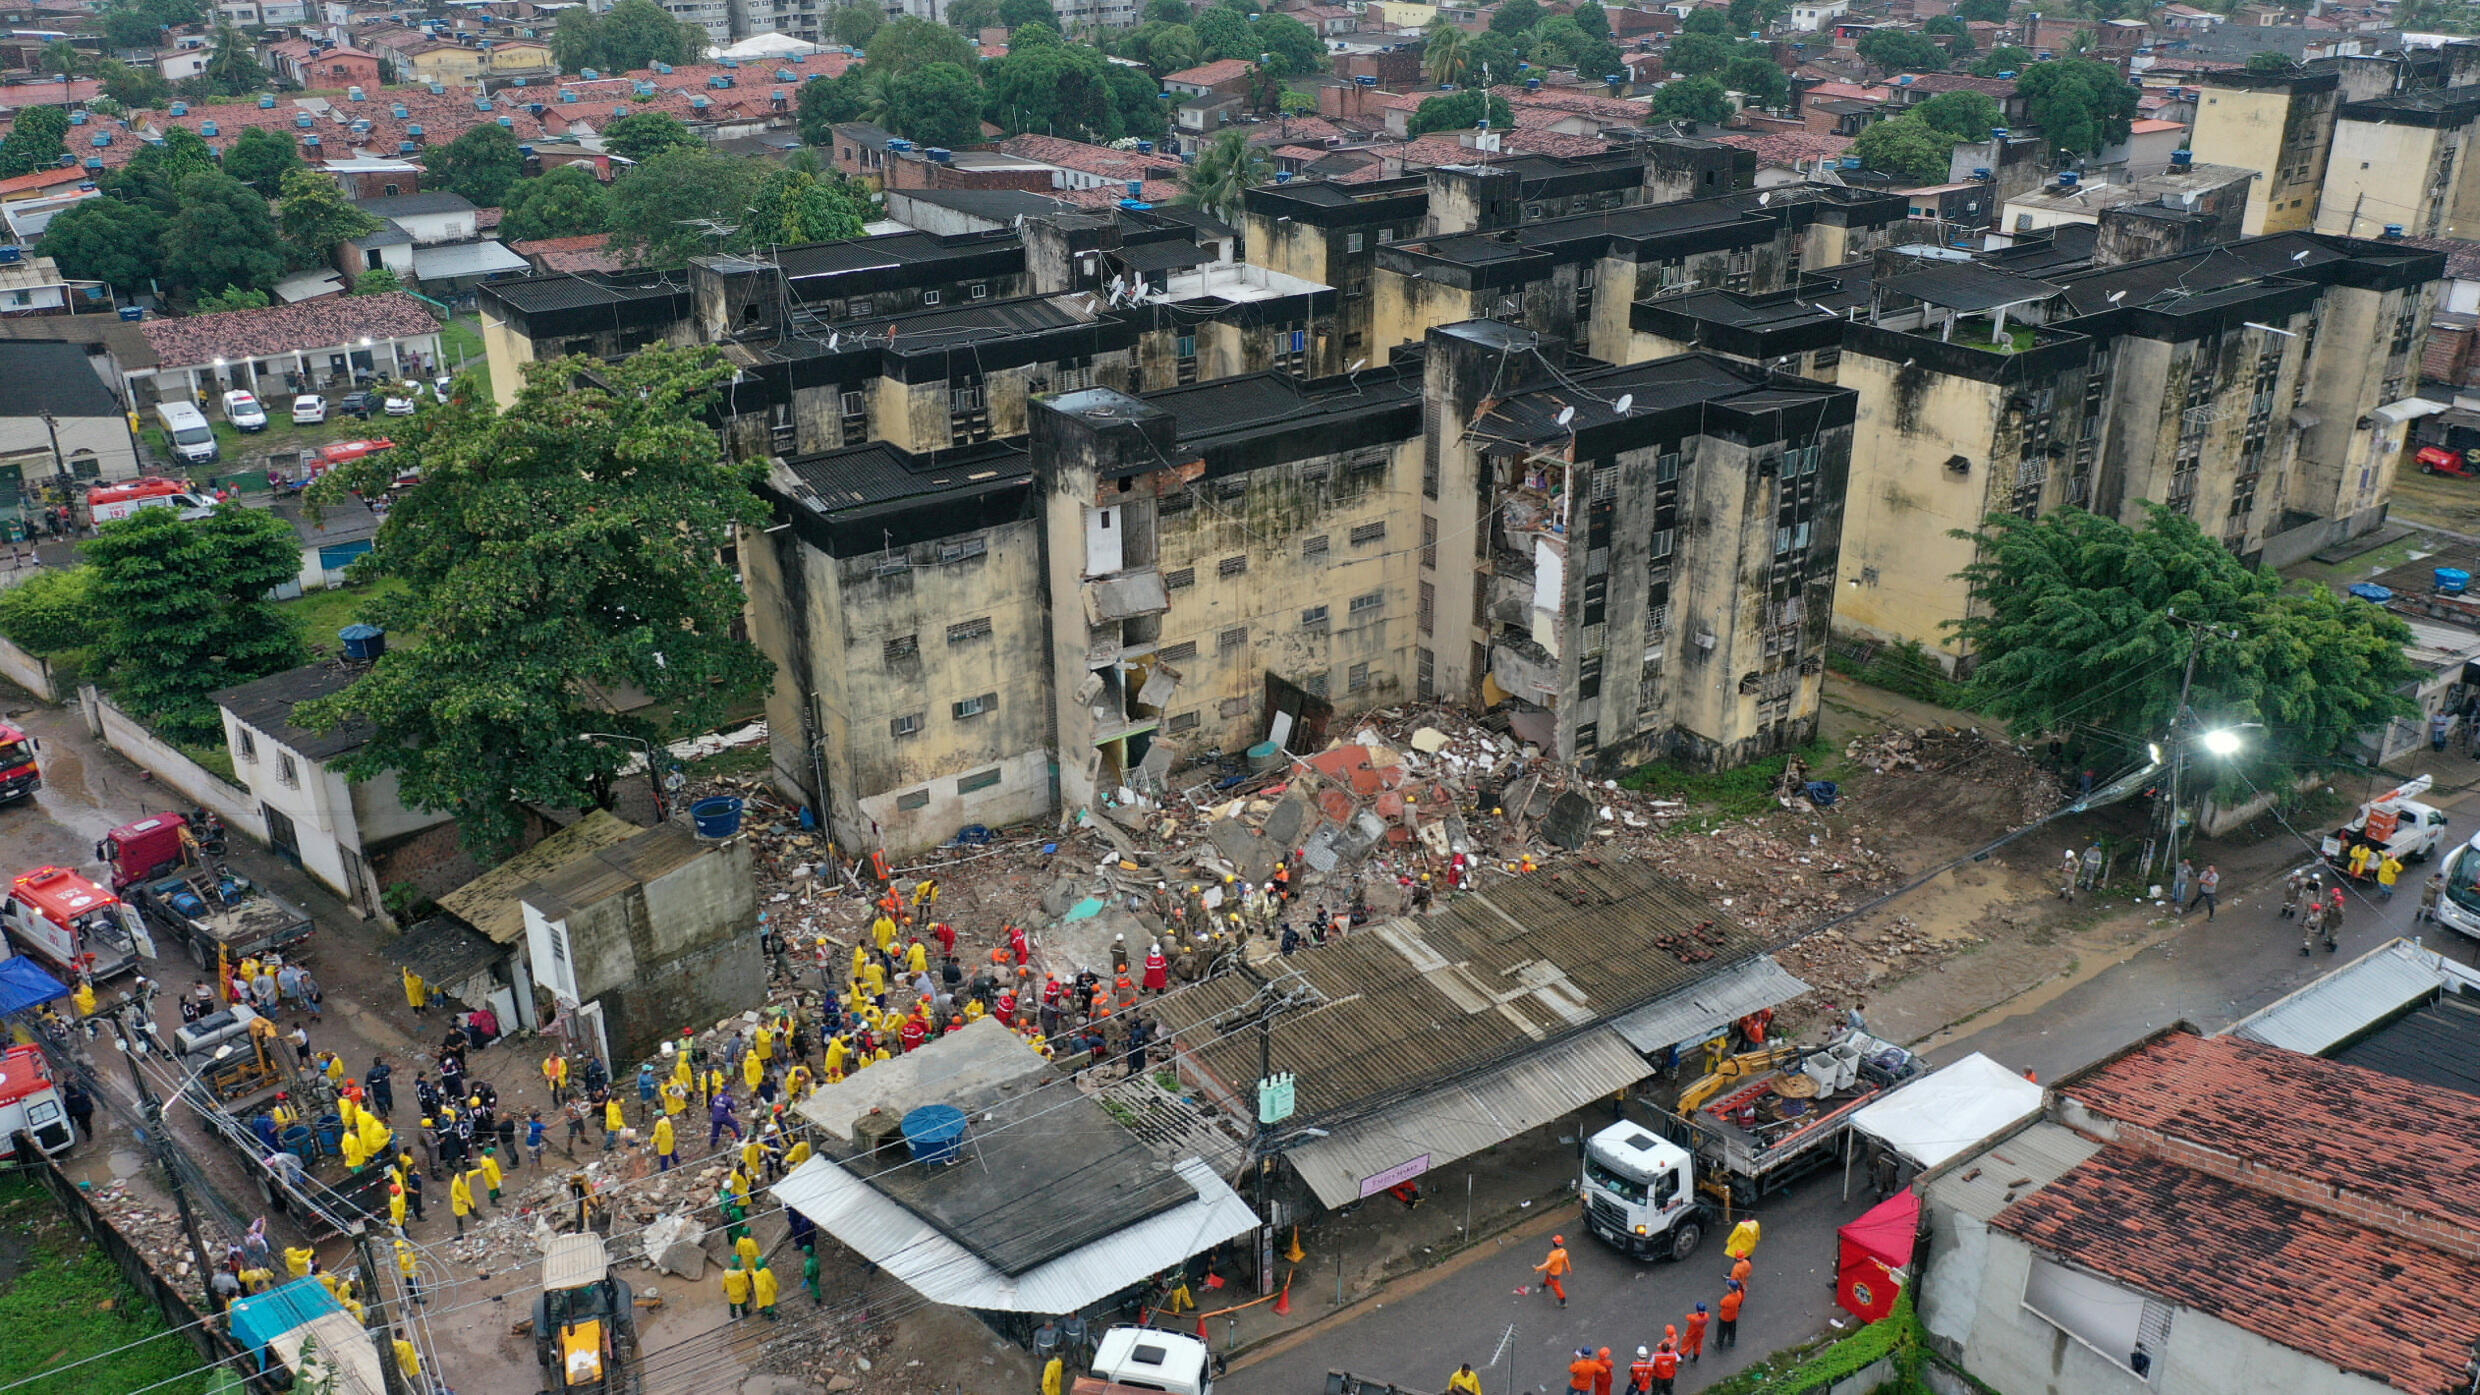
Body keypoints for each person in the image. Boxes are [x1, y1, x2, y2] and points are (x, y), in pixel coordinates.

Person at [1534, 1235, 1571, 1308]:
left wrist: (1538, 1268)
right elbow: (1566, 1260)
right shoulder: (1563, 1251)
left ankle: (1563, 1302)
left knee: (1556, 1287)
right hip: (1556, 1270)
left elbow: (1547, 1265)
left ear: (1554, 1244)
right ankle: (1544, 1285)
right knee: (1548, 1278)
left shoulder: (1553, 1255)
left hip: (1553, 1272)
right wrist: (1568, 1269)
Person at [1718, 1279, 1744, 1347]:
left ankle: (1719, 1344)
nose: (1727, 1286)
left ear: (1731, 1288)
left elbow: (1721, 1304)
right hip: (1734, 1316)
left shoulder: (1727, 1299)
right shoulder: (1739, 1294)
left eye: (1728, 1286)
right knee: (1732, 1330)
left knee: (1721, 1331)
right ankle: (1731, 1342)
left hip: (1725, 1318)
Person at [450, 1168, 475, 1238]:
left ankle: (476, 1216)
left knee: (471, 1208)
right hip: (459, 1203)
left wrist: (481, 1170)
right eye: (464, 1177)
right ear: (460, 1176)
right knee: (459, 1216)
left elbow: (472, 1173)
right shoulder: (455, 1183)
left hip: (466, 1199)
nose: (465, 1178)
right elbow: (453, 1194)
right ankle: (460, 1228)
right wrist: (461, 1200)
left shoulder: (466, 1176)